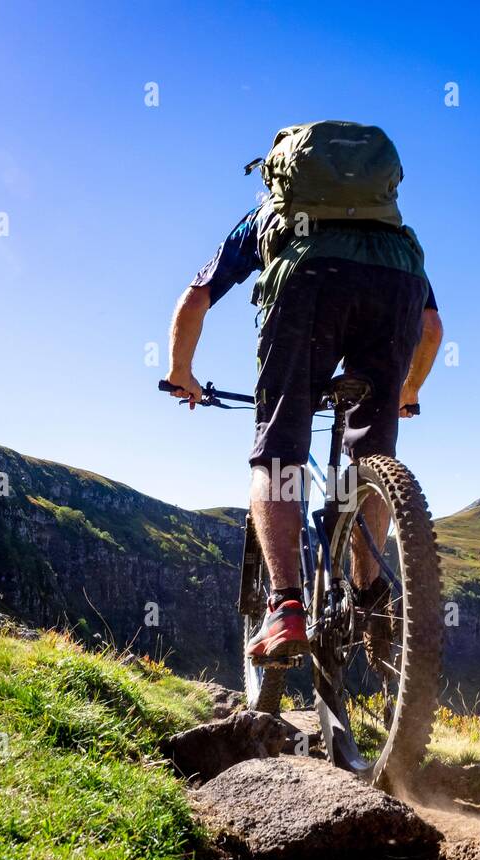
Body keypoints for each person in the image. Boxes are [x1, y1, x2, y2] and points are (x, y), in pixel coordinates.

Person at [163, 121, 442, 663]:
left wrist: (181, 372)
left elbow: (196, 297)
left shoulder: (269, 216)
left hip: (308, 283)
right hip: (395, 291)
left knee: (279, 452)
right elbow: (432, 329)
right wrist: (407, 389)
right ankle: (368, 596)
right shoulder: (397, 239)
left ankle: (285, 607)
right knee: (373, 455)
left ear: (280, 173)